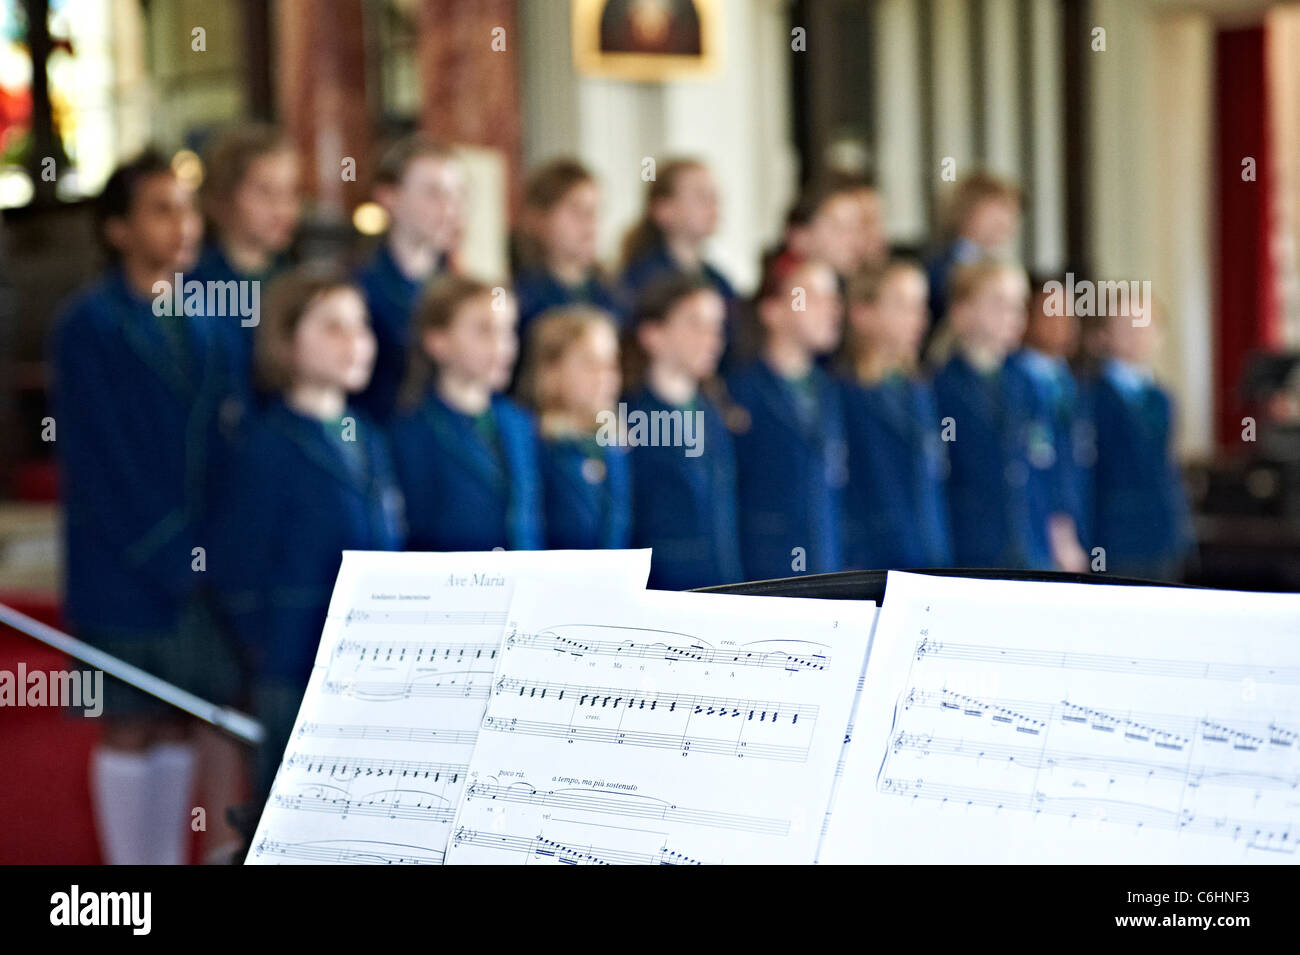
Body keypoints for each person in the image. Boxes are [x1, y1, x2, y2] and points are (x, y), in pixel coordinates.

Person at [50, 151, 243, 864]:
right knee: (129, 722)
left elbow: (226, 441)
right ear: (118, 230)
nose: (183, 225)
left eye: (189, 209)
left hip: (198, 560)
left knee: (179, 719)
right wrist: (169, 550)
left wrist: (212, 549)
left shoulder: (212, 324)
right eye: (162, 209)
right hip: (121, 561)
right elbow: (100, 459)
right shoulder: (88, 325)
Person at [210, 268, 405, 798]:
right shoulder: (265, 443)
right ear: (287, 342)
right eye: (332, 327)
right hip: (296, 663)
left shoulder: (370, 437)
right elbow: (241, 564)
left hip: (371, 662)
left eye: (360, 326)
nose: (355, 342)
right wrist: (265, 648)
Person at [389, 275, 544, 551]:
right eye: (485, 331)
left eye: (508, 331)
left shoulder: (519, 423)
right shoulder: (412, 433)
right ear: (438, 341)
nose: (502, 346)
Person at [728, 258, 848, 580]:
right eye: (813, 297)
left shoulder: (830, 390)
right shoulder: (739, 394)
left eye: (834, 299)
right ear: (773, 311)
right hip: (765, 575)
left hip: (827, 570)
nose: (832, 309)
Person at [623, 275, 743, 590]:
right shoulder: (630, 418)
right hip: (663, 591)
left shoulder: (715, 410)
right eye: (695, 325)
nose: (711, 339)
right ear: (653, 335)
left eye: (716, 327)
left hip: (722, 586)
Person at [932, 260, 1047, 570]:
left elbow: (1044, 459)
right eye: (998, 303)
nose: (1012, 316)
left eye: (1018, 306)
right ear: (962, 312)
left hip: (1029, 542)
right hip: (971, 548)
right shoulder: (939, 386)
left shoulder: (1026, 382)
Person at [838, 259, 951, 570]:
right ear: (863, 314)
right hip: (872, 561)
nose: (918, 317)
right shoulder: (845, 392)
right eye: (903, 305)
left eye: (920, 305)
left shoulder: (920, 389)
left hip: (928, 556)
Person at [353, 136, 465, 423]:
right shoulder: (357, 286)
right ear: (389, 197)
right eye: (433, 193)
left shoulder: (461, 289)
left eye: (455, 194)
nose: (448, 207)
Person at [1085, 304, 1193, 580]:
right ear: (1104, 335)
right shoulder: (1089, 396)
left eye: (1145, 325)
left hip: (1162, 535)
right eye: (1126, 325)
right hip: (1115, 538)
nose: (1137, 334)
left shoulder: (1162, 398)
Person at [192, 125, 301, 397]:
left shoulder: (295, 282)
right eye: (264, 192)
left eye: (290, 192)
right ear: (222, 198)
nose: (282, 207)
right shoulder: (193, 286)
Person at [518, 307, 631, 550]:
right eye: (590, 363)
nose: (605, 377)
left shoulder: (614, 446)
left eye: (611, 364)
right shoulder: (532, 444)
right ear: (551, 371)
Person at [1004, 276, 1091, 571]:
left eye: (1069, 314)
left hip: (1078, 520)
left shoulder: (1074, 381)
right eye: (1052, 312)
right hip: (1032, 529)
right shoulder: (1011, 377)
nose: (1062, 322)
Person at [512, 159, 624, 335]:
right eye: (576, 210)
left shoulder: (615, 292)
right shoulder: (521, 297)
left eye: (595, 211)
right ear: (540, 218)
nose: (590, 223)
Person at [619, 158, 736, 315]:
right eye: (701, 196)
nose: (713, 206)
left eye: (715, 196)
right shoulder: (641, 279)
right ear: (663, 210)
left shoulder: (718, 281)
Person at [924, 172, 1021, 338]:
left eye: (1011, 213)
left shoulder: (1007, 268)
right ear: (967, 210)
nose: (1007, 222)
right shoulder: (938, 270)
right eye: (999, 209)